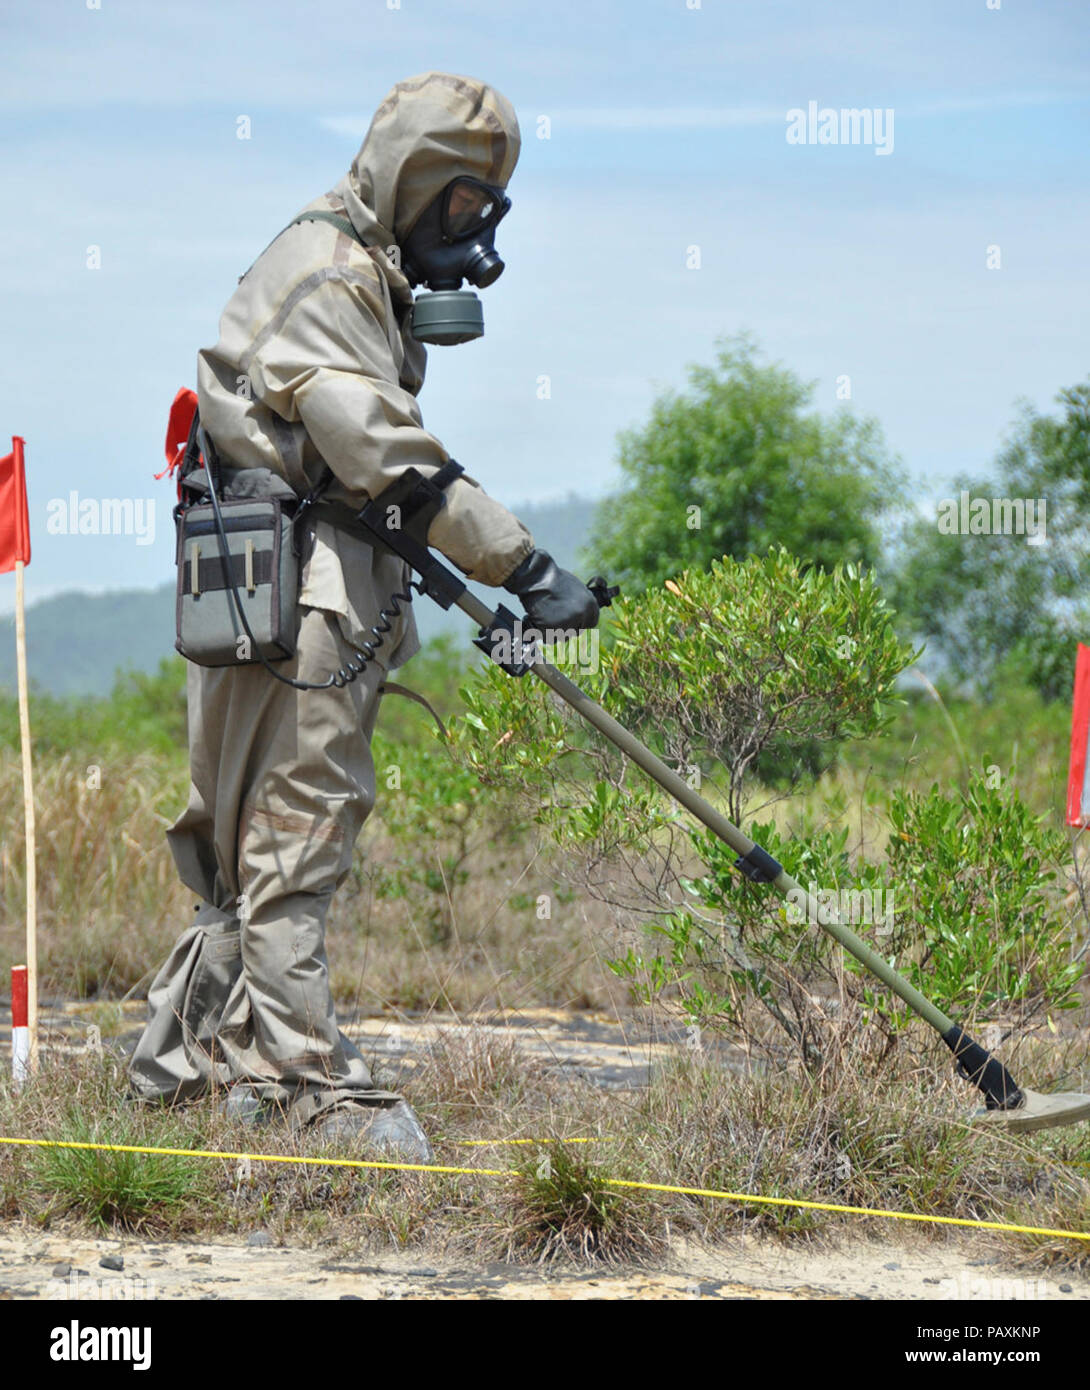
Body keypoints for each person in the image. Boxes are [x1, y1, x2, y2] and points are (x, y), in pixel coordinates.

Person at [128, 72, 599, 1160]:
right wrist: (523, 567)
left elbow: (361, 474)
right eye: (462, 205)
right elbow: (383, 453)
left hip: (268, 580)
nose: (473, 233)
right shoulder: (333, 274)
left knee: (248, 839)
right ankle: (305, 1087)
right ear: (415, 181)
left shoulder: (342, 262)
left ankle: (198, 1064)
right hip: (301, 595)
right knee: (295, 829)